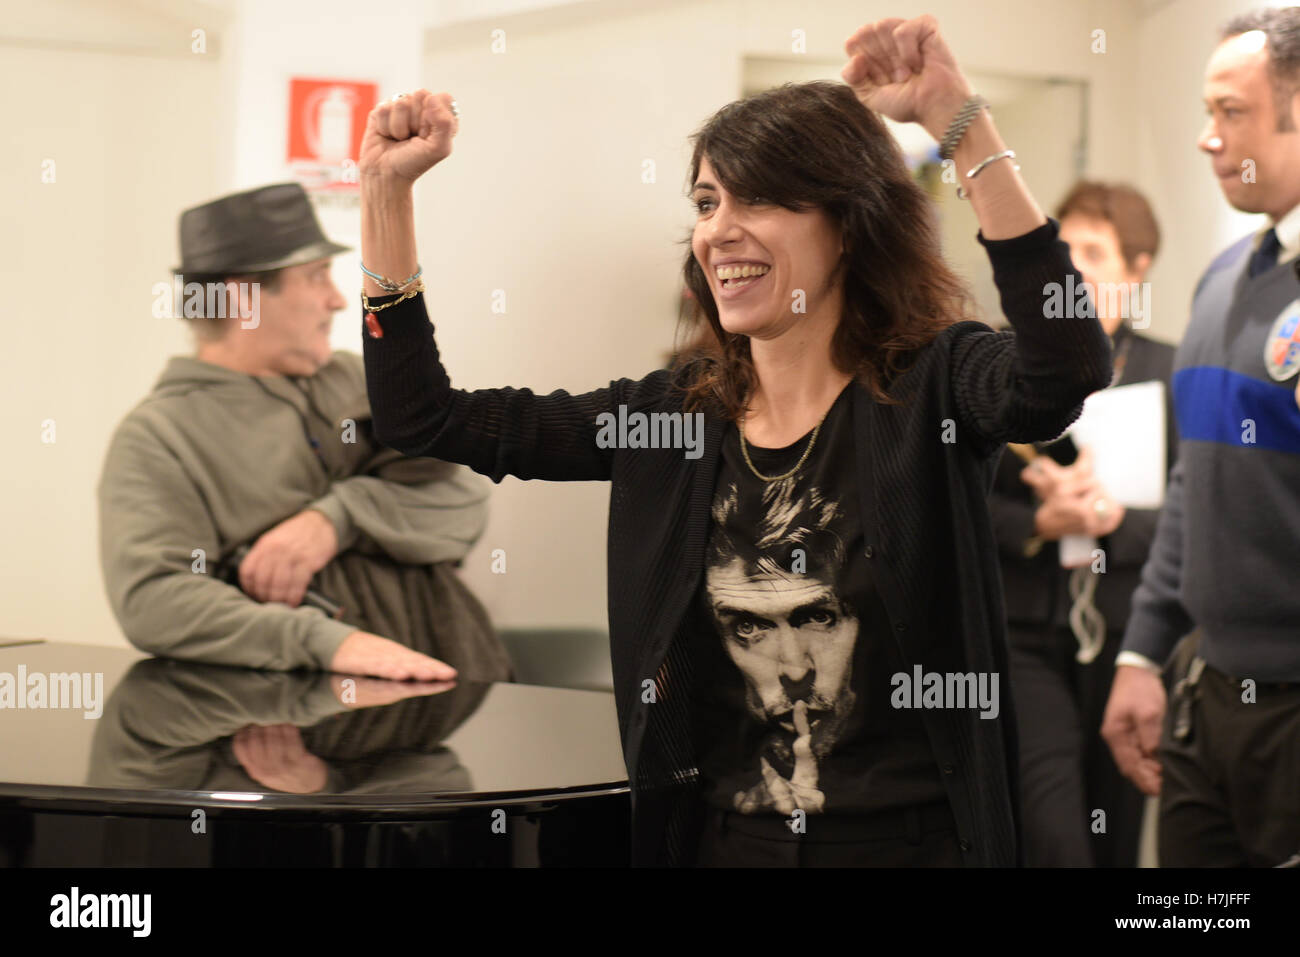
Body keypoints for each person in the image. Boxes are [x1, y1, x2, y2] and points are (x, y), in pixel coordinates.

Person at [356, 14, 1112, 867]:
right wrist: (386, 197)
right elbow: (424, 417)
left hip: (914, 848)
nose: (720, 229)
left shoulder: (932, 383)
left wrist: (960, 122)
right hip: (724, 845)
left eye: (760, 199)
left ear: (849, 225)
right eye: (708, 202)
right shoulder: (672, 418)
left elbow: (1066, 368)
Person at [98, 182, 513, 684]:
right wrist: (327, 644)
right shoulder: (159, 437)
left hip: (454, 699)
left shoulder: (358, 379)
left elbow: (464, 506)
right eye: (317, 277)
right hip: (289, 731)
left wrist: (337, 519)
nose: (338, 301)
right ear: (243, 296)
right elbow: (154, 603)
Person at [1101, 6, 1300, 867]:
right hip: (1204, 698)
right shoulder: (1222, 281)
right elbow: (1193, 487)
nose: (1205, 138)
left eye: (1231, 112)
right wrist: (1142, 652)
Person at [989, 181, 1176, 867]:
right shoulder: (1001, 365)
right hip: (1029, 632)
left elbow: (1191, 519)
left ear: (1138, 268)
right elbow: (961, 506)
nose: (1076, 268)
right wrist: (1042, 517)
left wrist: (1111, 519)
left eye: (1095, 251)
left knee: (1117, 836)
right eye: (1065, 250)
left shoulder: (1171, 369)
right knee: (1053, 833)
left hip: (1130, 637)